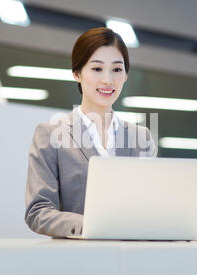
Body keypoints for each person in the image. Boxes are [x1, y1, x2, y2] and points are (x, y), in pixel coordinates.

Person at [25, 27, 157, 237]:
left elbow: (150, 205)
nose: (108, 80)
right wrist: (93, 226)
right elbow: (38, 212)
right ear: (77, 74)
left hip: (130, 260)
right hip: (77, 261)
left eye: (116, 69)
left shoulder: (142, 138)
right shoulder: (50, 134)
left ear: (125, 75)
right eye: (97, 69)